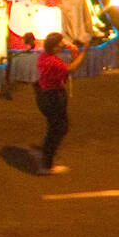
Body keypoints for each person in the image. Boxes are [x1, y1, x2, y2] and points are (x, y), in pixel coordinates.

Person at [33, 32, 86, 175]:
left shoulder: (43, 56)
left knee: (53, 126)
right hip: (53, 97)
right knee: (59, 129)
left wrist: (72, 47)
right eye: (60, 44)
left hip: (44, 95)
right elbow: (70, 69)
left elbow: (67, 47)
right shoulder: (53, 62)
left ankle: (45, 150)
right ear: (55, 48)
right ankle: (46, 165)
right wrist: (83, 53)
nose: (64, 45)